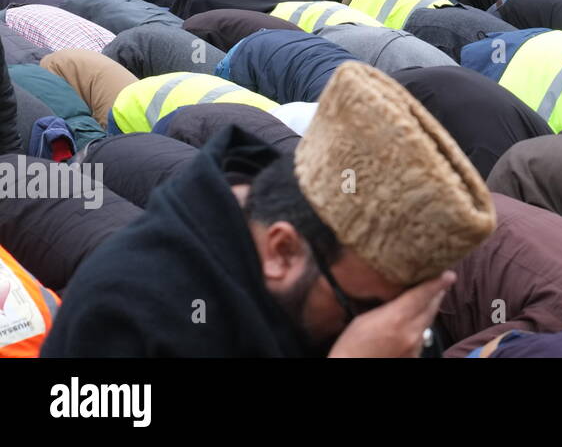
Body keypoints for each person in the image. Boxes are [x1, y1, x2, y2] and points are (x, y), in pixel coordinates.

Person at [40, 64, 495, 357]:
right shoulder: (121, 314)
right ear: (282, 249)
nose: (386, 328)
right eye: (359, 308)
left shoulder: (358, 286)